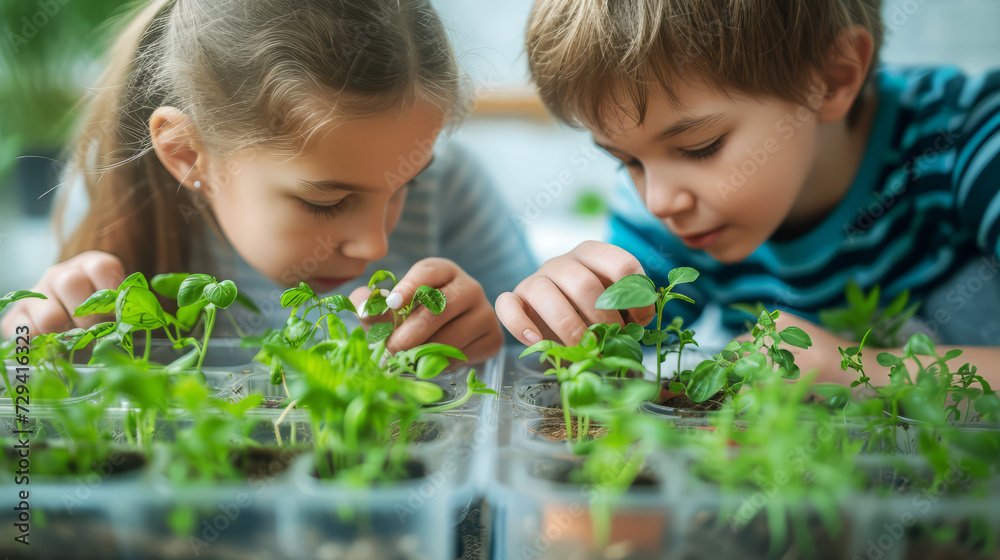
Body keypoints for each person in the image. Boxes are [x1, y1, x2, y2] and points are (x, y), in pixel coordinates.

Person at [0, 0, 534, 364]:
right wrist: (36, 351)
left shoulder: (455, 186)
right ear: (187, 155)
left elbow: (543, 370)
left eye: (406, 186)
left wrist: (494, 344)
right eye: (325, 201)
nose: (375, 245)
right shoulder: (111, 192)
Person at [497, 0, 1000, 384]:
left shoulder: (970, 141)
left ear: (831, 79)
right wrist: (568, 311)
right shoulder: (658, 215)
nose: (659, 201)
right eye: (627, 161)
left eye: (699, 148)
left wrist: (859, 373)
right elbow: (615, 353)